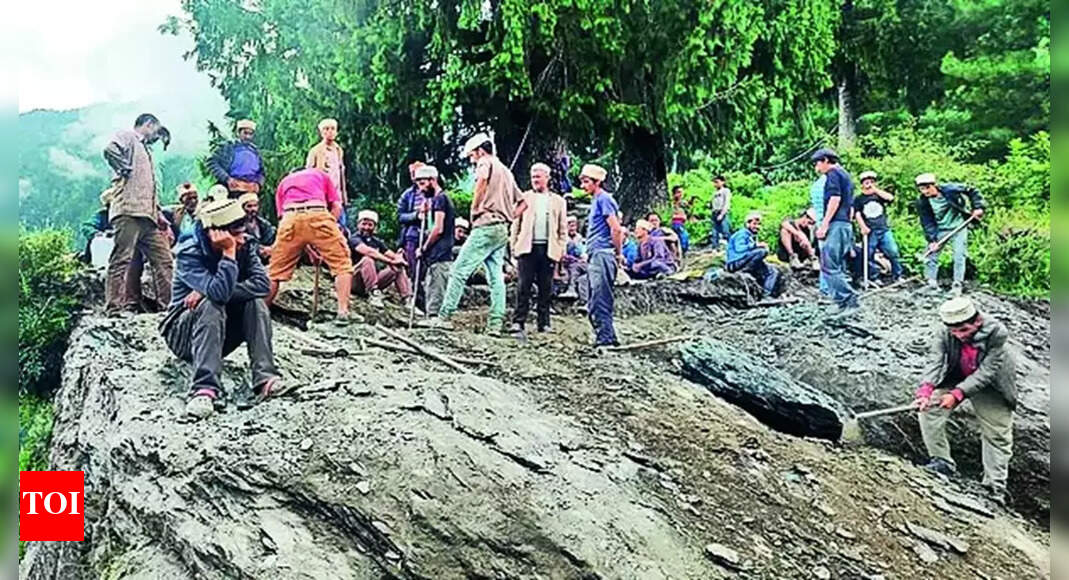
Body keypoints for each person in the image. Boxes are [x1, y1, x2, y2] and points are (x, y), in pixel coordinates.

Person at [160, 198, 284, 419]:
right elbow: (218, 295)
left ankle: (266, 379)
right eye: (234, 235)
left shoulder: (246, 246)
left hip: (221, 334)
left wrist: (208, 289)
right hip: (183, 335)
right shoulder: (190, 255)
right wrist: (228, 255)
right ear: (214, 234)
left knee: (254, 302)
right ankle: (204, 389)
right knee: (211, 303)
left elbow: (261, 285)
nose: (241, 240)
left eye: (242, 232)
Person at [914, 297, 1015, 505]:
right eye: (954, 331)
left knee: (997, 433)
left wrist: (958, 394)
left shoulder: (997, 332)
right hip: (956, 374)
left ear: (976, 321)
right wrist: (926, 389)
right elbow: (936, 361)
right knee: (928, 410)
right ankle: (941, 461)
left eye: (963, 330)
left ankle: (994, 487)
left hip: (991, 384)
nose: (958, 335)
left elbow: (987, 371)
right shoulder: (945, 331)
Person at [423, 134, 523, 333]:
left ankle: (444, 317)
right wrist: (509, 217)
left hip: (485, 226)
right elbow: (523, 203)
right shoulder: (506, 171)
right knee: (496, 277)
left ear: (480, 151)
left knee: (458, 271)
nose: (471, 160)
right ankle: (495, 324)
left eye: (471, 156)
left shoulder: (485, 162)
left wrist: (474, 208)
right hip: (501, 229)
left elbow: (482, 181)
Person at [102, 113, 173, 314]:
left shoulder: (145, 150)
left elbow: (147, 188)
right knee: (121, 259)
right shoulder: (128, 136)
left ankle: (168, 308)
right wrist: (124, 168)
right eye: (155, 131)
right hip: (128, 211)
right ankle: (114, 307)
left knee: (164, 260)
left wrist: (158, 214)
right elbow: (110, 149)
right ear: (148, 124)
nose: (156, 137)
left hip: (148, 217)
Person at [266, 168, 354, 325]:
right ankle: (343, 312)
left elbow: (295, 229)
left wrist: (311, 249)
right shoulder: (321, 175)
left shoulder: (283, 183)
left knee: (275, 272)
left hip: (289, 218)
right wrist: (327, 229)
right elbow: (337, 207)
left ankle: (261, 312)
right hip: (317, 212)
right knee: (342, 264)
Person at [510, 163, 568, 333]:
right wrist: (513, 246)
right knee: (523, 286)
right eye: (533, 176)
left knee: (546, 287)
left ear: (547, 178)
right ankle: (518, 321)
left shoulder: (558, 201)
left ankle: (544, 323)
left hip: (548, 248)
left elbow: (562, 228)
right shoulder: (524, 197)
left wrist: (561, 249)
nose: (535, 180)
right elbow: (516, 224)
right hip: (527, 248)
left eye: (538, 176)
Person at [915, 173, 985, 295]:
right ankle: (931, 283)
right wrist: (932, 240)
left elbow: (972, 190)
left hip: (959, 226)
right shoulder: (922, 202)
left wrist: (977, 207)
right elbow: (927, 222)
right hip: (940, 229)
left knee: (959, 254)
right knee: (931, 254)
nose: (925, 192)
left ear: (934, 185)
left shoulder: (950, 189)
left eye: (927, 188)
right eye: (922, 189)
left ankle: (957, 284)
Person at [580, 164, 624, 347]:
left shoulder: (604, 200)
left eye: (586, 181)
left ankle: (606, 339)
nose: (582, 186)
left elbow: (616, 229)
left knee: (600, 298)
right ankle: (606, 336)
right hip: (595, 253)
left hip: (602, 253)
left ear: (597, 182)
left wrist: (618, 254)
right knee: (594, 298)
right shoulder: (597, 200)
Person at [812, 148, 859, 316]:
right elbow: (851, 205)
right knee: (836, 265)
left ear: (825, 160)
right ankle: (842, 302)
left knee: (828, 265)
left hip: (836, 223)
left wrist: (824, 224)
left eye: (817, 163)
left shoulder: (832, 174)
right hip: (845, 223)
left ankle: (848, 299)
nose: (817, 168)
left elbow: (835, 199)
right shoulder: (846, 175)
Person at [408, 165, 455, 315]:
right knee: (431, 286)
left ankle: (434, 319)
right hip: (436, 255)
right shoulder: (435, 200)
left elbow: (438, 229)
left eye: (422, 184)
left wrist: (424, 248)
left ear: (432, 180)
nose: (420, 189)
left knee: (436, 289)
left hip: (440, 254)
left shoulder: (441, 199)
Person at [347, 210, 412, 308]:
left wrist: (400, 259)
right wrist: (390, 261)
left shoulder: (376, 242)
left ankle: (407, 299)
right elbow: (368, 251)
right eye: (364, 224)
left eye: (370, 225)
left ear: (375, 227)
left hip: (373, 279)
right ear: (358, 224)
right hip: (354, 280)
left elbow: (391, 254)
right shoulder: (354, 239)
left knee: (397, 267)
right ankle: (373, 293)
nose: (366, 227)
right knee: (367, 259)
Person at [853, 171, 903, 284]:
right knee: (869, 254)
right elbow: (857, 214)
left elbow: (890, 198)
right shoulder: (859, 199)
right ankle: (874, 276)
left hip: (883, 228)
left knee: (893, 251)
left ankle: (897, 275)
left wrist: (875, 190)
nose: (869, 184)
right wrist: (863, 227)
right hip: (870, 230)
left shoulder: (879, 196)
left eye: (871, 181)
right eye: (866, 182)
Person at [206, 119, 265, 197]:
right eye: (245, 133)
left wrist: (258, 184)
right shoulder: (227, 147)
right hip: (231, 189)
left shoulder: (255, 151)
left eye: (250, 134)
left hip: (250, 189)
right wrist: (227, 179)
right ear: (238, 133)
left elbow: (261, 172)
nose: (247, 137)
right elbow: (211, 162)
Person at [726, 211, 779, 296]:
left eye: (758, 224)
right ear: (748, 224)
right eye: (754, 224)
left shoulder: (752, 236)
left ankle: (766, 294)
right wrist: (756, 245)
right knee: (762, 252)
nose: (757, 227)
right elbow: (740, 249)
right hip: (735, 263)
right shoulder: (741, 234)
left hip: (747, 260)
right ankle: (744, 271)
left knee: (772, 271)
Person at [306, 118, 349, 209]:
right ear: (321, 133)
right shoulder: (315, 151)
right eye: (326, 129)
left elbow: (341, 175)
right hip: (322, 197)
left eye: (333, 129)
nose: (330, 131)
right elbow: (309, 175)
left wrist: (344, 198)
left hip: (337, 197)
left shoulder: (338, 150)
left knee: (341, 222)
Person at [397, 161, 429, 281]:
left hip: (431, 232)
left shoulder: (435, 193)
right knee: (414, 268)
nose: (416, 176)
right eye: (413, 174)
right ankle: (417, 295)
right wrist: (416, 215)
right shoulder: (407, 195)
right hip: (412, 234)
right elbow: (400, 216)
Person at [238, 192, 276, 263]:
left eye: (255, 206)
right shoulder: (237, 226)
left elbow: (272, 238)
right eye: (249, 206)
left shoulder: (264, 224)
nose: (253, 209)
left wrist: (270, 249)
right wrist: (258, 249)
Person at [558, 215, 587, 299]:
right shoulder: (563, 238)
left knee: (575, 266)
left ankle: (572, 289)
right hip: (566, 263)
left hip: (578, 263)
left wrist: (582, 258)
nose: (572, 228)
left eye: (574, 226)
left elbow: (582, 252)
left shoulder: (579, 238)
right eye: (570, 226)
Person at [709, 175, 732, 249]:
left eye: (717, 182)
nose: (715, 184)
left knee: (725, 230)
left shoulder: (726, 191)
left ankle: (731, 246)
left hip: (722, 212)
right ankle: (715, 248)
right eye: (714, 182)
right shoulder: (714, 193)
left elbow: (726, 203)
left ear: (722, 182)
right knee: (714, 232)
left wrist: (722, 214)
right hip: (714, 213)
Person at [669, 185, 691, 254]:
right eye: (678, 192)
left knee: (684, 237)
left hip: (682, 223)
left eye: (681, 192)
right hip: (676, 224)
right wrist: (680, 216)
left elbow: (688, 209)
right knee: (683, 237)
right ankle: (682, 251)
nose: (681, 194)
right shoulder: (672, 204)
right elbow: (671, 215)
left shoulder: (682, 203)